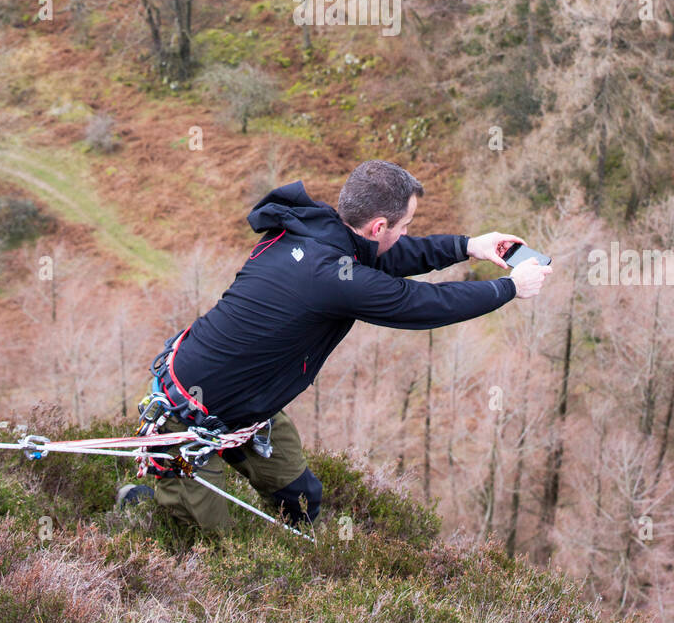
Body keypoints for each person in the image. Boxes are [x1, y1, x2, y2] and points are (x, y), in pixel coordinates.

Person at [140, 159, 551, 533]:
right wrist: (509, 289)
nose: (407, 232)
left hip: (248, 404)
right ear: (377, 227)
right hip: (186, 415)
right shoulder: (333, 277)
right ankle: (143, 506)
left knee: (300, 502)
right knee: (205, 546)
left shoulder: (317, 228)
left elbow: (390, 256)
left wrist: (469, 246)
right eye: (404, 224)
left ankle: (265, 553)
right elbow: (421, 304)